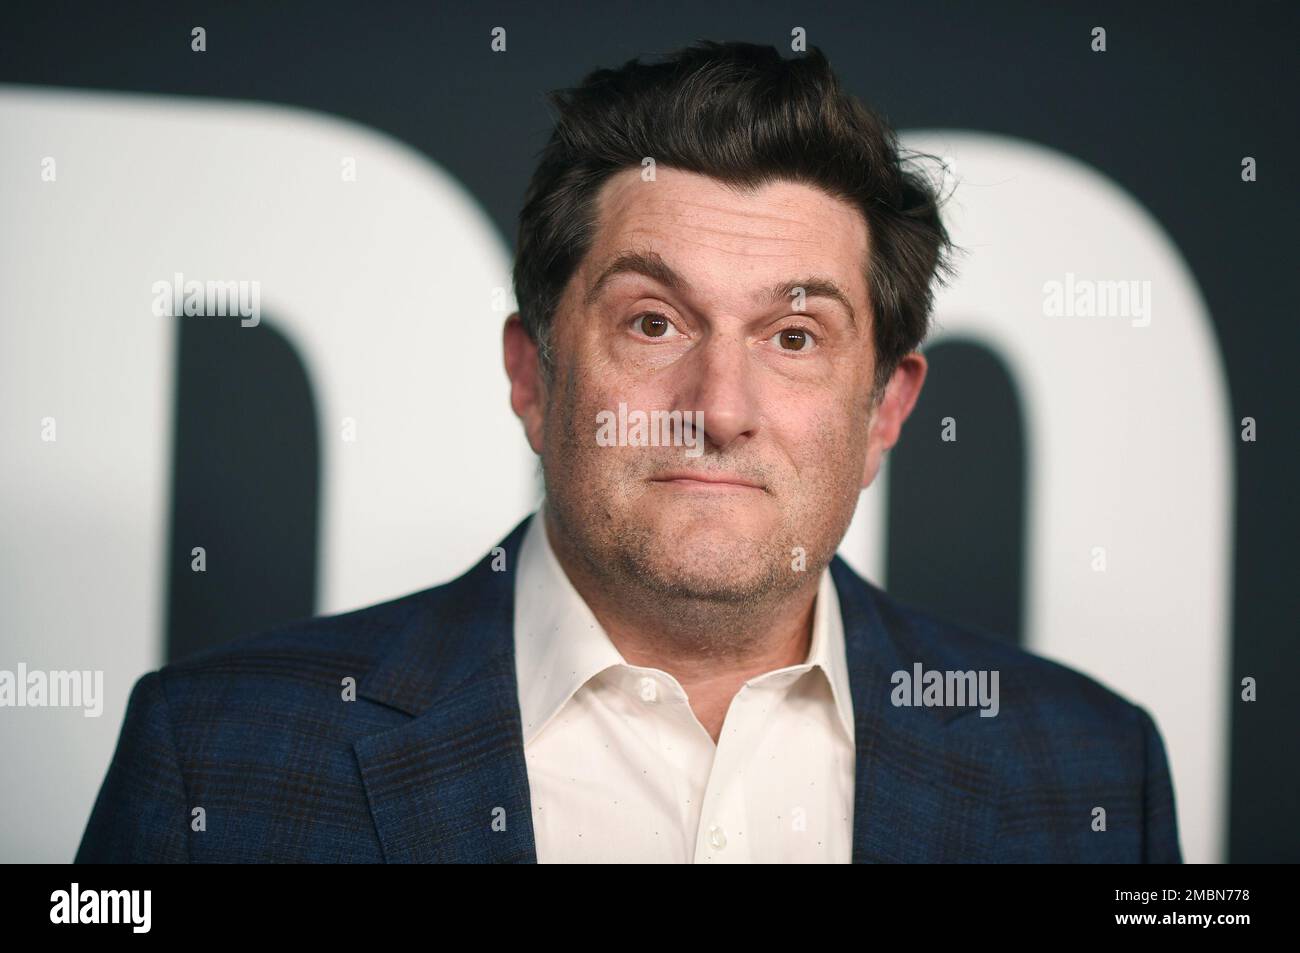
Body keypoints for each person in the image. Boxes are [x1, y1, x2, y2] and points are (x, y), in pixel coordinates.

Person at [76, 40, 1181, 863]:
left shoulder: (1089, 774)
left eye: (795, 336)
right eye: (653, 321)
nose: (718, 406)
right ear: (531, 371)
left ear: (885, 409)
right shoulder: (215, 760)